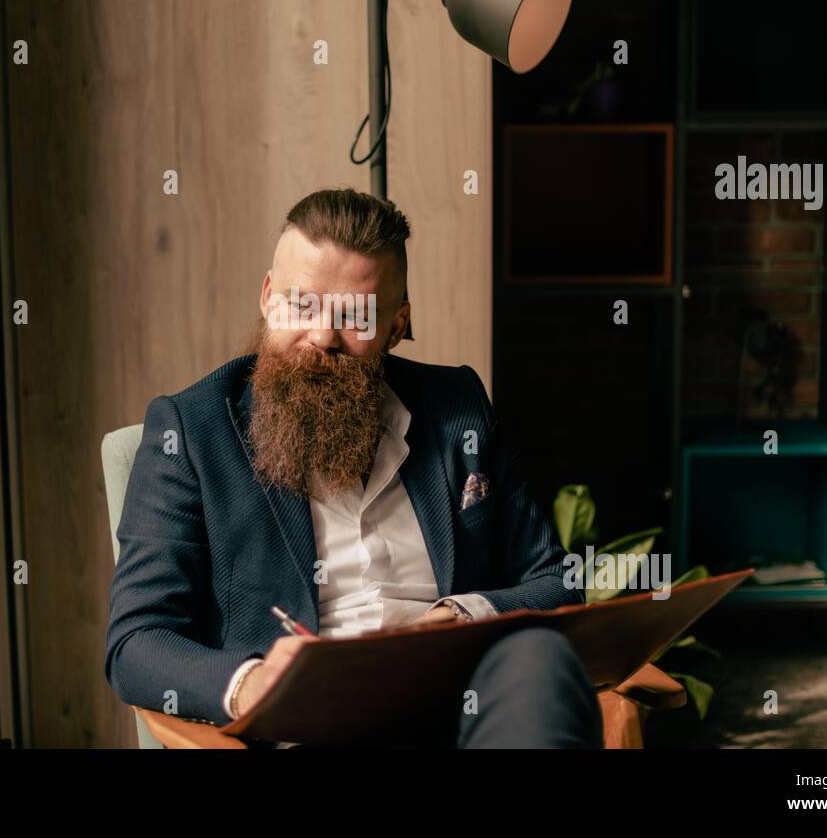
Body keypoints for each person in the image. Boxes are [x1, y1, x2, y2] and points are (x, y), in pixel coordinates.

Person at [104, 187, 603, 748]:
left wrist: (461, 616)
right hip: (311, 726)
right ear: (268, 296)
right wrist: (254, 683)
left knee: (538, 660)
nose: (321, 336)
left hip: (460, 710)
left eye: (353, 316)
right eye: (300, 304)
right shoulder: (190, 431)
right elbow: (137, 641)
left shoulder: (458, 404)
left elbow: (556, 584)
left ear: (397, 325)